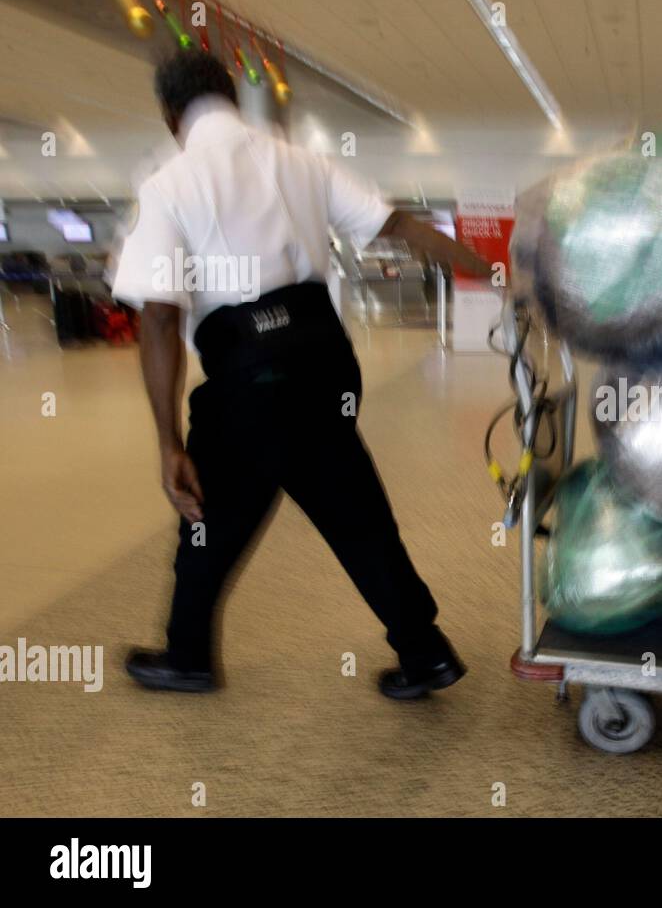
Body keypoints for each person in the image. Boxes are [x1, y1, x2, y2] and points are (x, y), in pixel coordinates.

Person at [111, 50, 491, 699]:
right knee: (357, 514)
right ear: (230, 94)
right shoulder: (302, 160)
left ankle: (187, 657)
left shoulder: (169, 184)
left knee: (206, 518)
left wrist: (169, 442)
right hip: (325, 366)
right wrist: (495, 271)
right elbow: (396, 224)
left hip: (247, 378)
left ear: (171, 115)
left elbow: (158, 320)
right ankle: (424, 651)